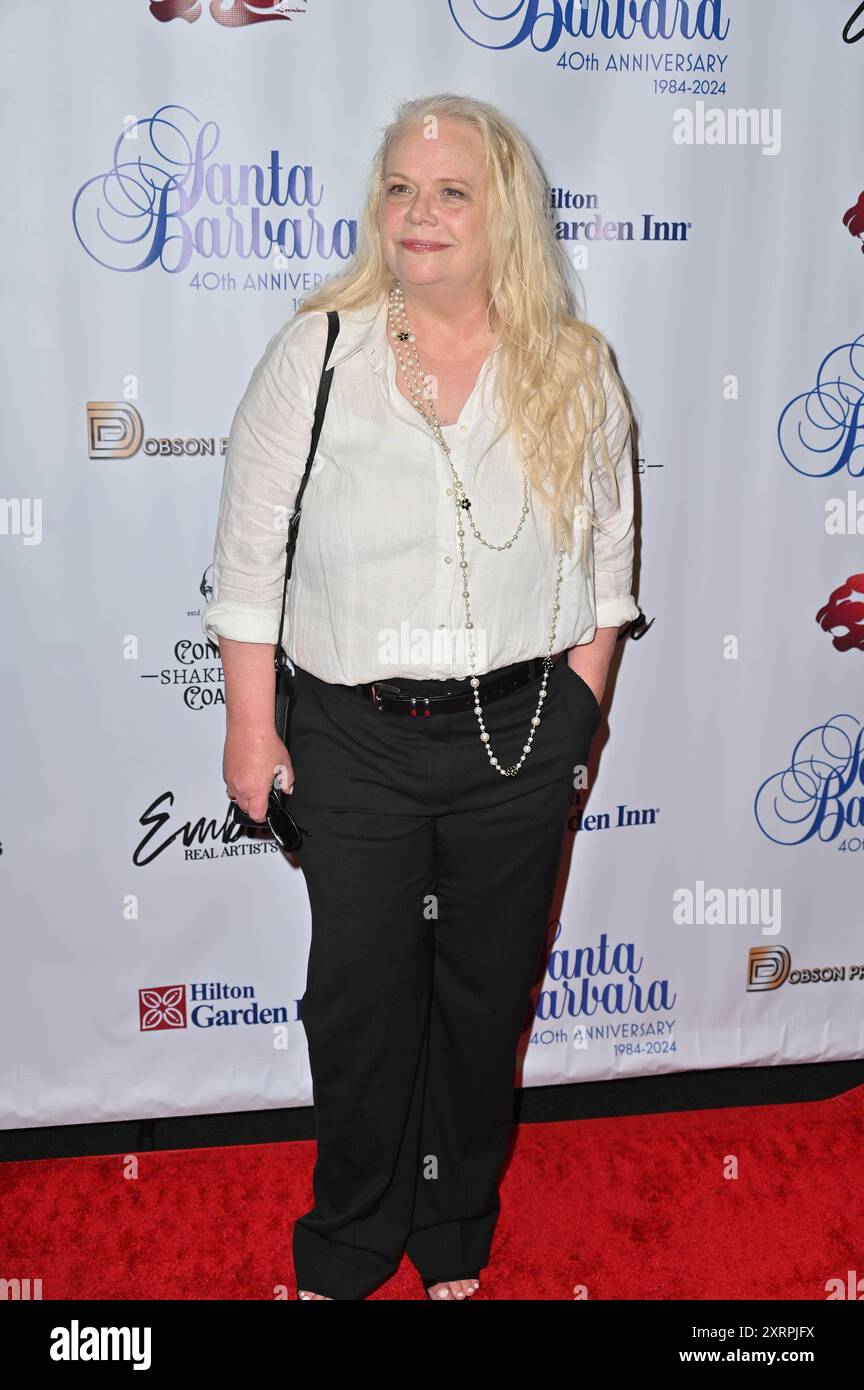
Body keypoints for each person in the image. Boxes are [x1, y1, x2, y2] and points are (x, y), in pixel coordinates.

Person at [202, 92, 640, 1301]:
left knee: (483, 992)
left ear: (503, 212)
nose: (420, 212)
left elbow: (608, 570)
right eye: (401, 187)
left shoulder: (574, 366)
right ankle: (349, 1238)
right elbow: (247, 565)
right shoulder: (320, 351)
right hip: (354, 736)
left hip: (517, 735)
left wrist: (579, 722)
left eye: (450, 190)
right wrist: (253, 726)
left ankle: (453, 1231)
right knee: (357, 1005)